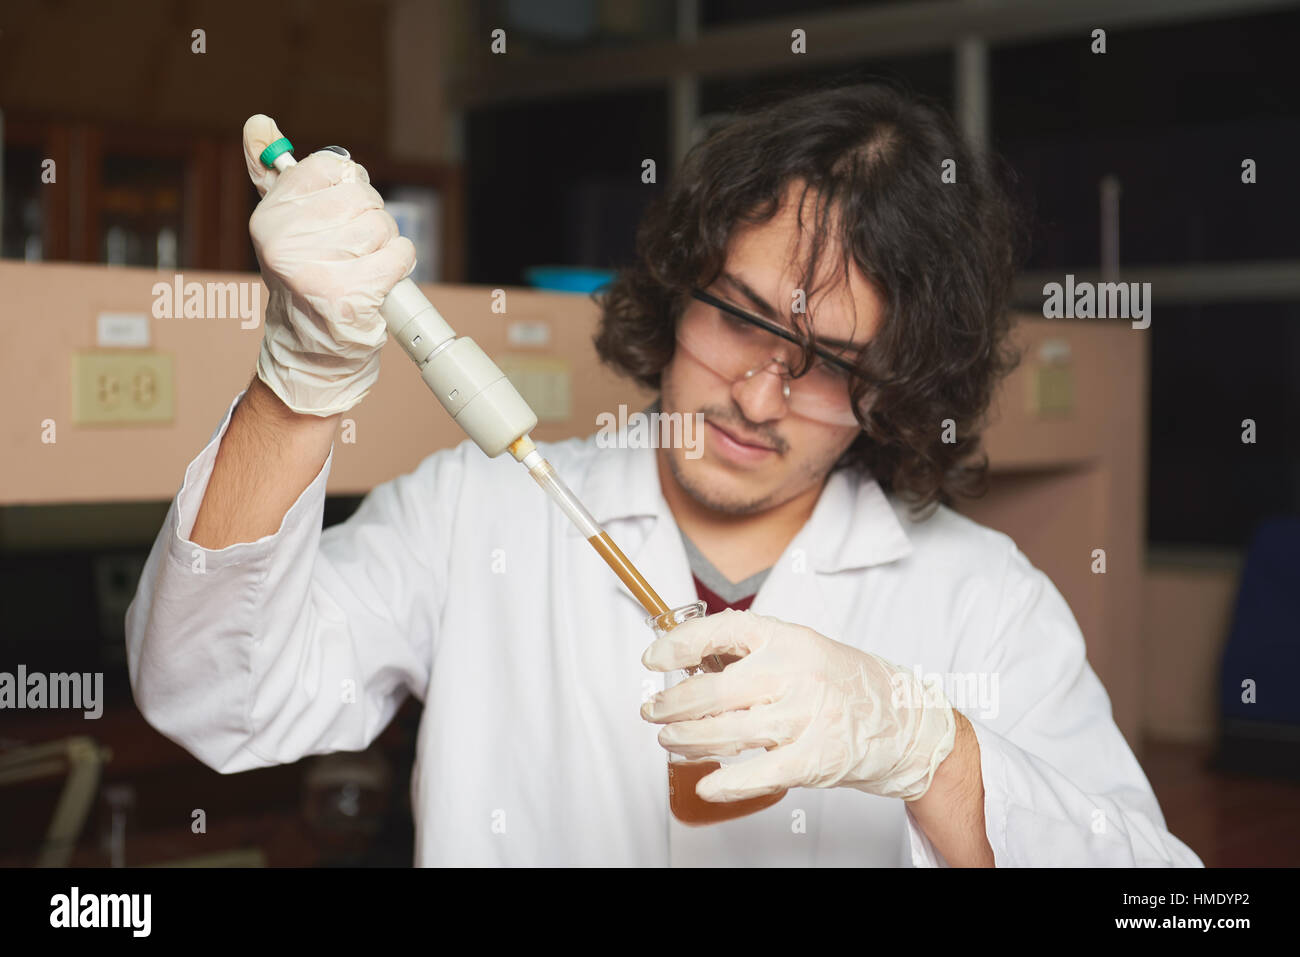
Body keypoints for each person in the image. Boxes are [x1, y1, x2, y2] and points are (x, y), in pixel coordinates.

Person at [125, 83, 1201, 866]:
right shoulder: (474, 513)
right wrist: (299, 386)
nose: (759, 395)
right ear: (680, 286)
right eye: (738, 316)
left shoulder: (983, 601)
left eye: (832, 363)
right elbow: (214, 700)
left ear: (899, 388)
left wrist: (929, 750)